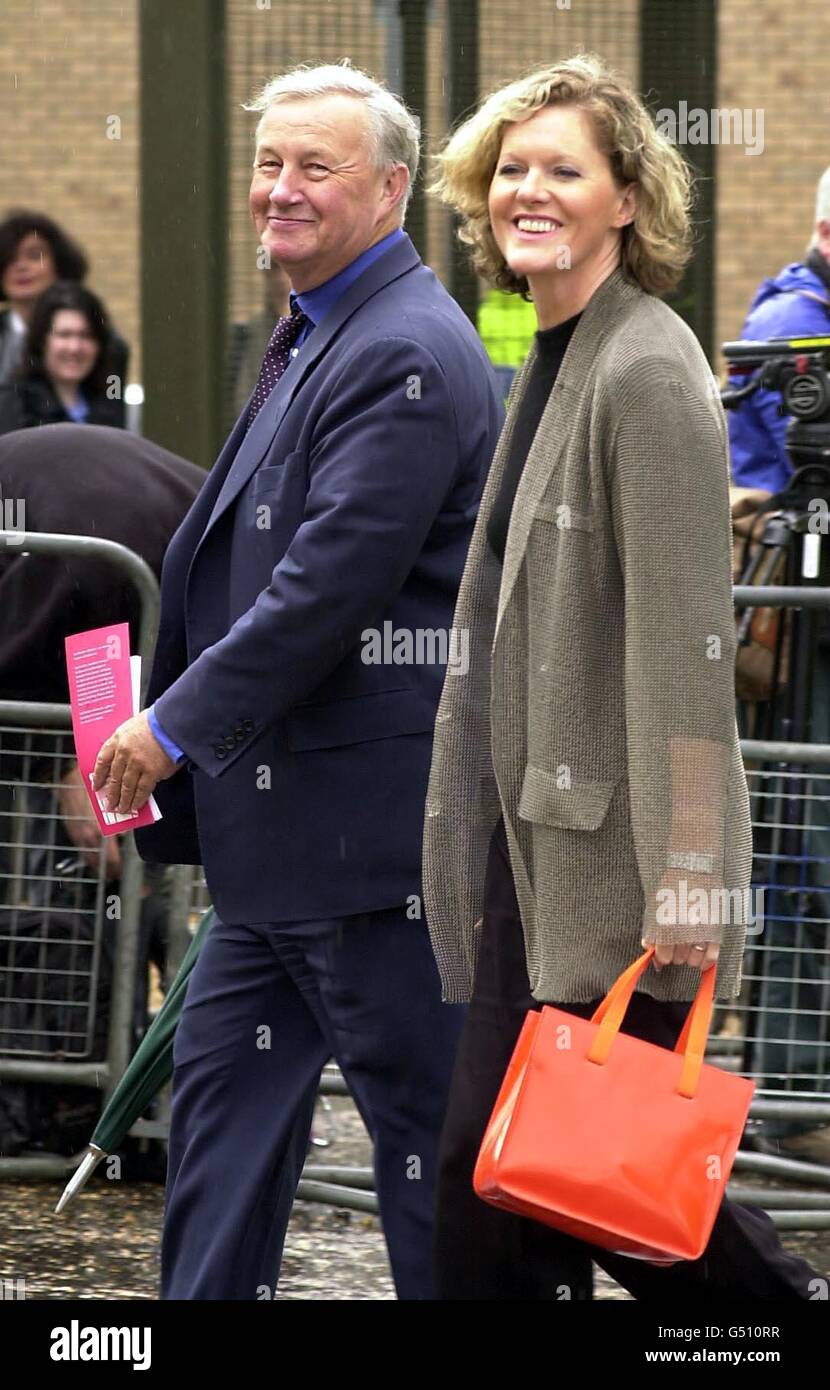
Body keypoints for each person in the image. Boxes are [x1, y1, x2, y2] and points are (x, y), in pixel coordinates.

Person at [92, 61, 503, 1300]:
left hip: (372, 859)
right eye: (267, 163)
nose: (278, 189)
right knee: (218, 1137)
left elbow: (327, 589)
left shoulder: (404, 349)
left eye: (312, 167)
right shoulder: (321, 327)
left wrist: (168, 724)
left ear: (390, 189)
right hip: (281, 852)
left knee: (430, 1166)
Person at [421, 53, 824, 1299]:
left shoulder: (645, 371)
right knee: (535, 1192)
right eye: (510, 168)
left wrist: (690, 876)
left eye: (562, 170)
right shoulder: (552, 352)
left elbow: (687, 652)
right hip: (527, 851)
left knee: (592, 1189)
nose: (525, 190)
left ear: (626, 202)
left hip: (612, 871)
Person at [0, 423, 204, 1160]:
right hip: (108, 593)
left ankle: (116, 1083)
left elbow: (72, 632)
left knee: (122, 856)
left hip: (110, 593)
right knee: (118, 855)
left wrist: (81, 780)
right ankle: (103, 1080)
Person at [727, 162, 830, 1165]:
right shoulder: (793, 329)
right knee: (804, 839)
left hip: (807, 630)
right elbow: (773, 483)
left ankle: (796, 1088)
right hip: (801, 635)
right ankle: (793, 1096)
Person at [0, 209, 129, 389]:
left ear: (60, 264)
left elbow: (112, 398)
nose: (21, 266)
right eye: (9, 258)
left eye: (34, 256)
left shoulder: (104, 342)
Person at [0, 281, 125, 434]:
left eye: (86, 335)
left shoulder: (109, 399)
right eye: (64, 335)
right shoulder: (12, 404)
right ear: (41, 341)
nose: (75, 347)